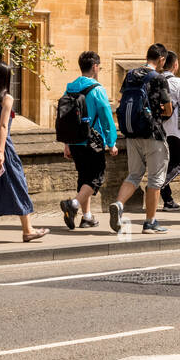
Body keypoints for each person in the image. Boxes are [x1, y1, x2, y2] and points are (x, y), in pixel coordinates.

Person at [0, 61, 47, 243]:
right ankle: (27, 230)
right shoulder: (7, 98)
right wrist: (1, 152)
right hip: (1, 148)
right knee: (18, 183)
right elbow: (3, 126)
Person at [108, 44, 172, 234]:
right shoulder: (158, 78)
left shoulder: (130, 74)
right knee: (155, 179)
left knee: (134, 175)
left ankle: (119, 204)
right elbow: (168, 109)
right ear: (161, 59)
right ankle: (150, 222)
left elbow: (122, 100)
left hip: (132, 133)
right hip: (153, 134)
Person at [58, 51, 117, 230]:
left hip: (75, 141)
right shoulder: (97, 89)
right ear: (95, 67)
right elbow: (106, 117)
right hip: (92, 141)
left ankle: (87, 217)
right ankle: (73, 205)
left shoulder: (70, 88)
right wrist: (111, 142)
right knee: (96, 178)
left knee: (84, 177)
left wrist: (66, 143)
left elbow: (65, 118)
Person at [160, 50, 180, 211]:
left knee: (163, 165)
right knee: (179, 162)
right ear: (175, 65)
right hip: (175, 131)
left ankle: (168, 200)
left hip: (158, 130)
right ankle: (158, 185)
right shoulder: (178, 83)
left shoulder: (155, 80)